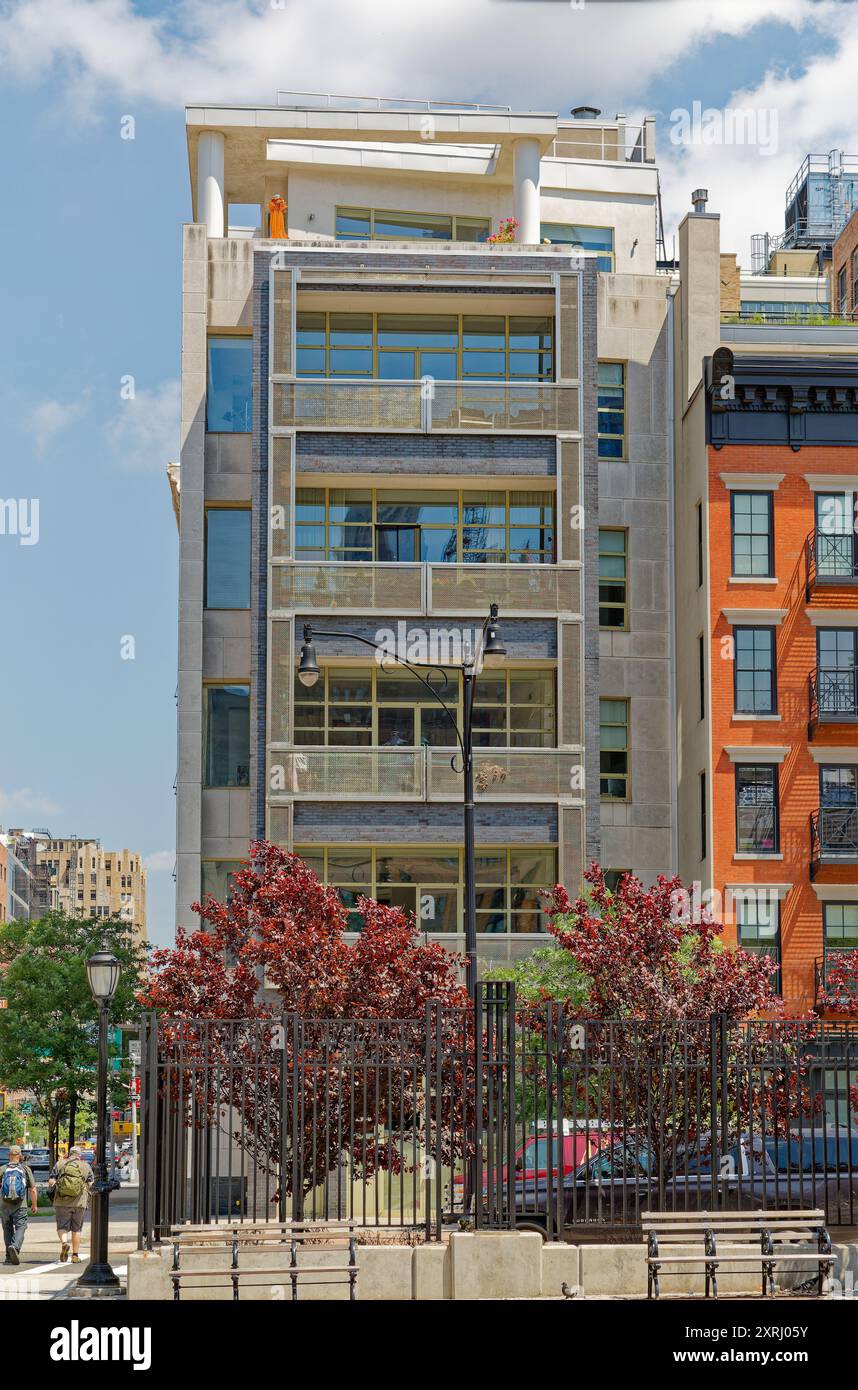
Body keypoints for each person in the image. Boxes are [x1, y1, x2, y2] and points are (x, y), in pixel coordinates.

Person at [47, 1147, 94, 1264]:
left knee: (62, 1226)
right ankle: (75, 1255)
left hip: (61, 1201)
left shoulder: (60, 1164)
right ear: (80, 1155)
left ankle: (64, 1243)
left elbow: (51, 1181)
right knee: (76, 1228)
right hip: (80, 1201)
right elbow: (91, 1183)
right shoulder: (85, 1166)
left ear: (69, 1154)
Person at [0, 1144, 38, 1266]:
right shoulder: (25, 1169)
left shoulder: (3, 1169)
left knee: (7, 1229)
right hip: (21, 1204)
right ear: (20, 1155)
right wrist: (34, 1204)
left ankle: (8, 1256)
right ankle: (15, 1247)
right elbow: (33, 1189)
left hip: (5, 1204)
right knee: (21, 1227)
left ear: (9, 1155)